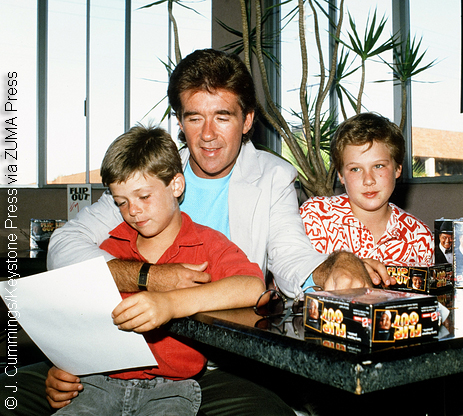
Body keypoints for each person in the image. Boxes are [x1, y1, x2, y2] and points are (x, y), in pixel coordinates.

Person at [3, 50, 391, 416]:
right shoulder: (148, 177)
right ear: (179, 121)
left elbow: (290, 256)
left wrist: (328, 269)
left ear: (248, 120)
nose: (207, 134)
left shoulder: (273, 177)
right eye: (193, 117)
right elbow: (64, 245)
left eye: (222, 116)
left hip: (212, 368)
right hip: (112, 360)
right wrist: (148, 278)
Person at [45, 124, 267, 415]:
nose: (133, 211)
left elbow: (253, 287)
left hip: (172, 389)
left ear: (176, 185)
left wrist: (170, 303)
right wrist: (63, 366)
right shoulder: (111, 250)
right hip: (97, 384)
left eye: (143, 197)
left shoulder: (207, 244)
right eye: (122, 202)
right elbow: (77, 318)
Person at [300, 112, 434, 268]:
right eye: (355, 169)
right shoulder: (316, 218)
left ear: (398, 169)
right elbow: (289, 278)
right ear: (341, 175)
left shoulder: (419, 237)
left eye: (378, 166)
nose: (368, 180)